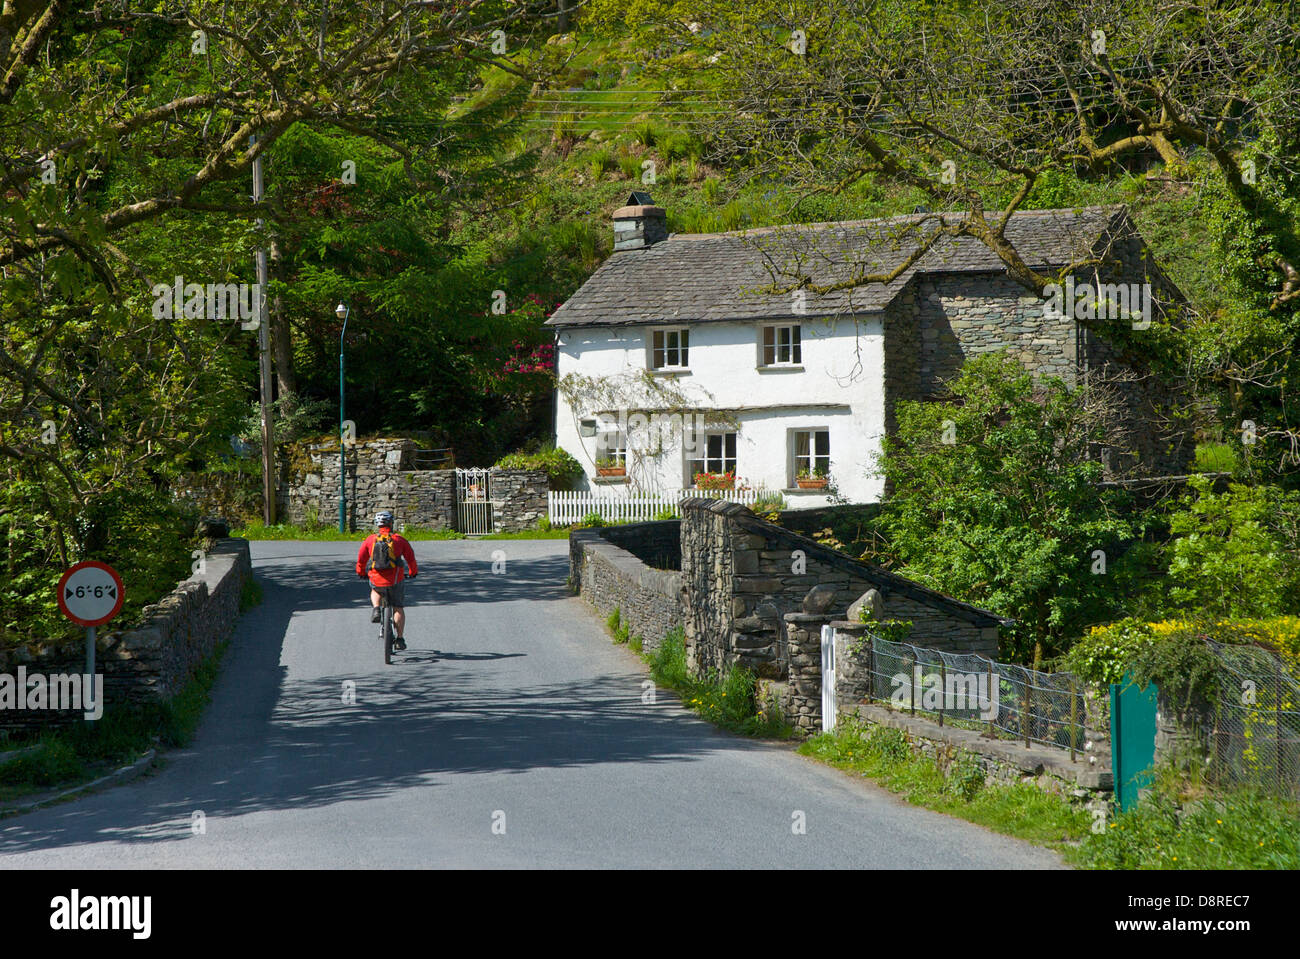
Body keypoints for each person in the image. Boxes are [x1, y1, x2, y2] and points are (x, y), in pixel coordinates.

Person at [356, 510, 418, 651]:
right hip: (396, 578)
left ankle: (376, 609)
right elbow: (410, 558)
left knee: (375, 588)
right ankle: (400, 638)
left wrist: (360, 572)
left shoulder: (370, 540)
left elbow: (361, 559)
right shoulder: (399, 540)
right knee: (398, 607)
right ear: (391, 523)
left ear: (377, 524)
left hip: (377, 578)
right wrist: (413, 572)